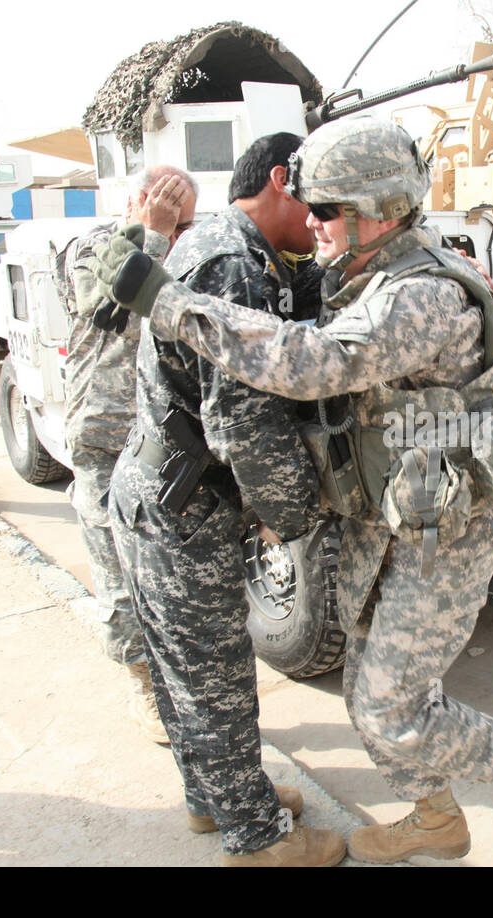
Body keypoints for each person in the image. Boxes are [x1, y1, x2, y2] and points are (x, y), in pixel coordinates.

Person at [94, 116, 493, 867]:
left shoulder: (420, 296)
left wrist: (176, 304)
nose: (311, 225)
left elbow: (309, 362)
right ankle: (435, 817)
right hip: (396, 510)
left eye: (326, 210)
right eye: (309, 208)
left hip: (447, 529)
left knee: (390, 703)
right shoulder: (366, 270)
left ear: (375, 211)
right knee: (361, 689)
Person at [106, 133, 341, 866]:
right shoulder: (229, 262)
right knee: (215, 678)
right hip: (182, 508)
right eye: (320, 200)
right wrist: (297, 518)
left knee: (189, 672)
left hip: (166, 495)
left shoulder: (241, 251)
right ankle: (259, 839)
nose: (323, 216)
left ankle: (218, 800)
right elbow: (244, 421)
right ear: (280, 180)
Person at [62, 165, 196, 744]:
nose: (182, 229)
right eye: (174, 214)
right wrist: (155, 232)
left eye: (188, 220)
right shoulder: (95, 247)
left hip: (159, 440)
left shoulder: (184, 250)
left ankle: (179, 681)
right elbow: (112, 304)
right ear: (142, 201)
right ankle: (143, 684)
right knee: (118, 578)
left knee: (170, 574)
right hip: (103, 435)